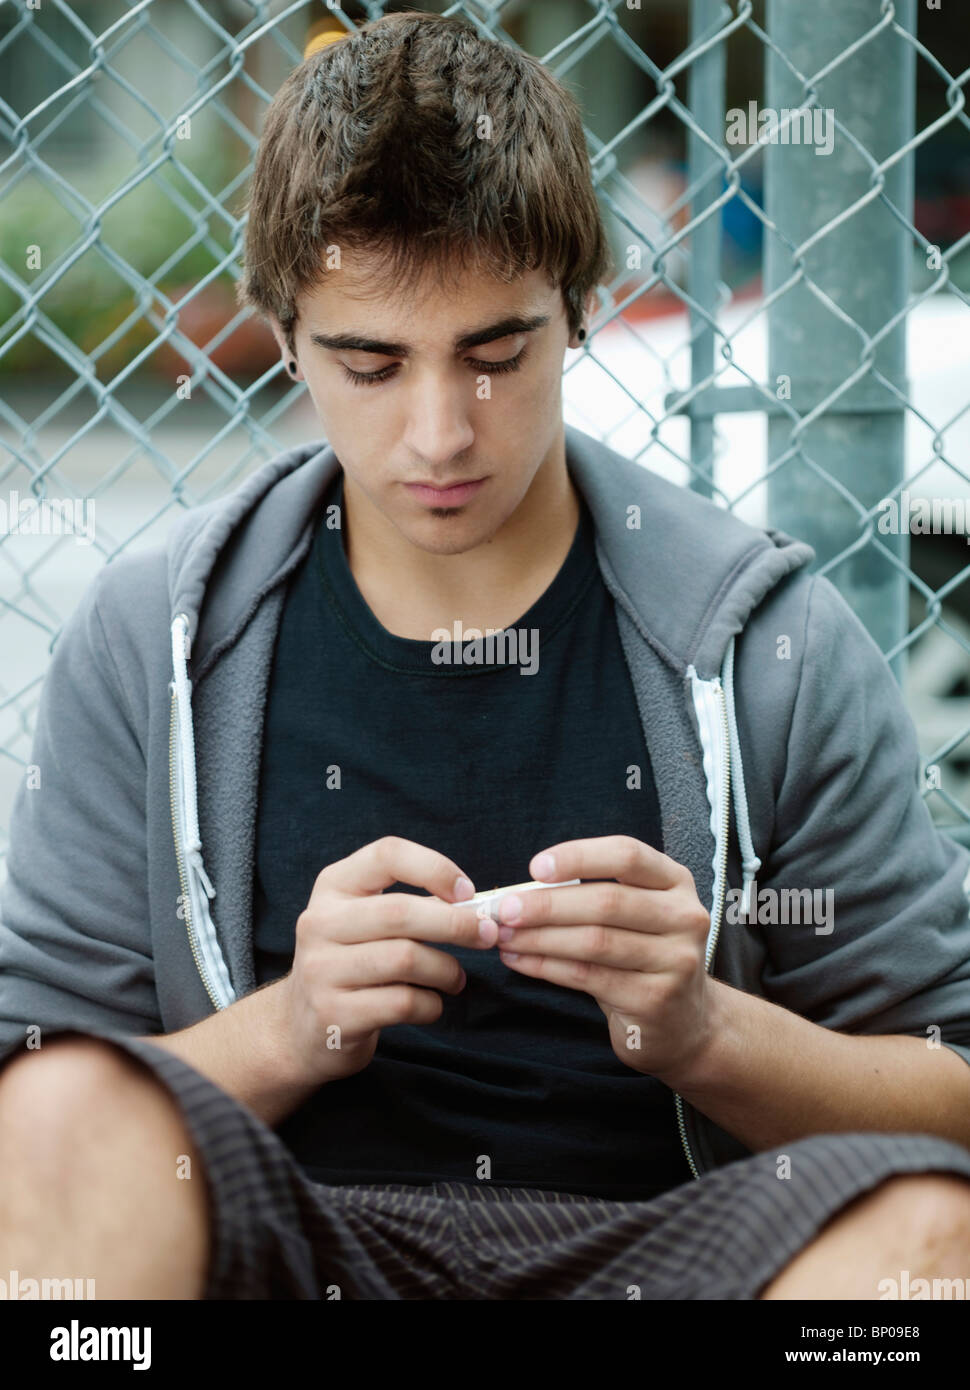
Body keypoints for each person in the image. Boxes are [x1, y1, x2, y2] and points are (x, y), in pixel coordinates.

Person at [2, 10, 970, 1302]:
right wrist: (290, 1030)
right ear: (282, 333)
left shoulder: (767, 638)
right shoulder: (157, 632)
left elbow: (943, 1089)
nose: (440, 431)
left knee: (930, 1239)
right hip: (292, 1238)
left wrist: (700, 1029)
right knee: (66, 1118)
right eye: (368, 360)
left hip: (666, 1244)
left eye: (495, 353)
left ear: (579, 311)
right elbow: (38, 1106)